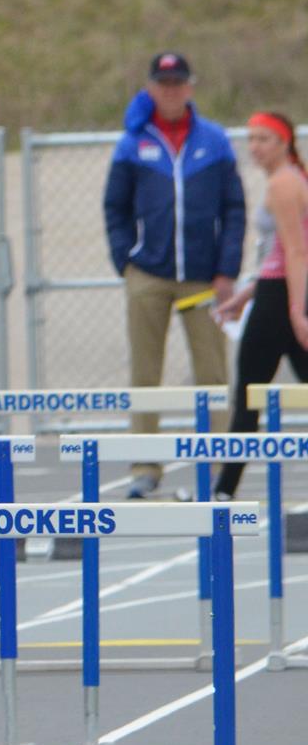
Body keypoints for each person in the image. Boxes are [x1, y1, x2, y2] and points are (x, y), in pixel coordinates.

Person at [103, 52, 244, 497]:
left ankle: (218, 466)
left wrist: (227, 269)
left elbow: (234, 208)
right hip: (149, 274)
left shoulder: (214, 141)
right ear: (150, 88)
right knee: (146, 372)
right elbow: (115, 207)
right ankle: (146, 467)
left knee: (212, 372)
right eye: (163, 83)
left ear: (190, 87)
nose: (171, 90)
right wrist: (127, 260)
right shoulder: (134, 143)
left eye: (178, 82)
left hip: (203, 278)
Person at [213, 113, 308, 498]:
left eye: (264, 139)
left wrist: (296, 310)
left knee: (249, 394)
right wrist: (245, 294)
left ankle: (223, 490)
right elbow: (278, 254)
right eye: (251, 138)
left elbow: (297, 251)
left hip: (282, 296)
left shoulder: (284, 184)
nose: (255, 147)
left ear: (284, 143)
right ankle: (224, 487)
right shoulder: (288, 180)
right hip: (275, 290)